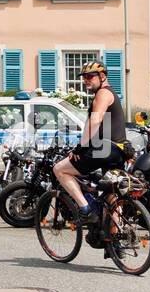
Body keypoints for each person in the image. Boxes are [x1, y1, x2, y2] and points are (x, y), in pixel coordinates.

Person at [52, 61, 125, 223]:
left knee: (59, 169)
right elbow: (97, 125)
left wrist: (80, 148)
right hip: (119, 151)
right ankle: (117, 239)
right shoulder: (109, 94)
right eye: (84, 77)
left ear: (103, 76)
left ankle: (85, 209)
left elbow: (95, 121)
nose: (86, 80)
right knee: (111, 195)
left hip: (106, 149)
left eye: (90, 76)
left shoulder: (103, 94)